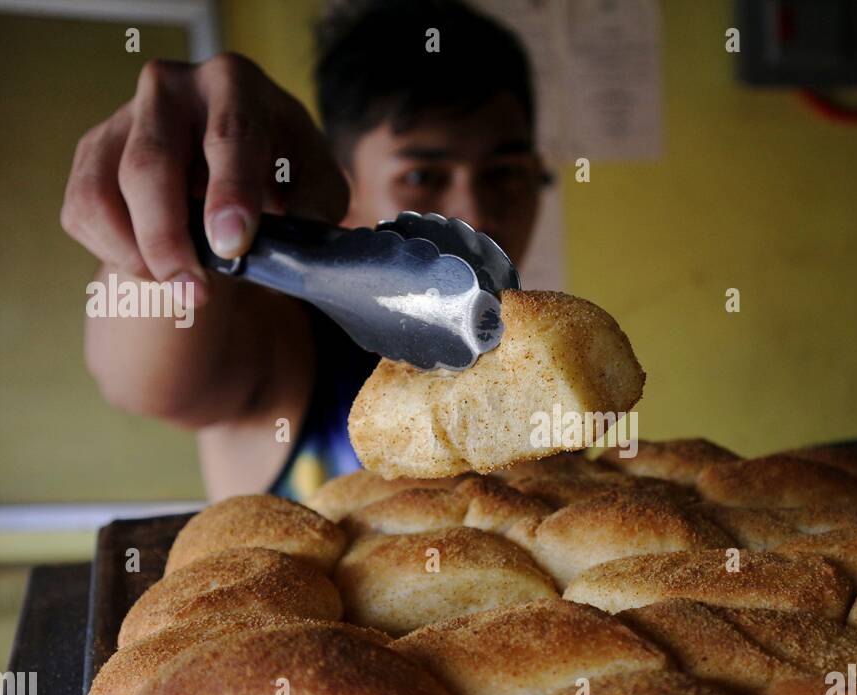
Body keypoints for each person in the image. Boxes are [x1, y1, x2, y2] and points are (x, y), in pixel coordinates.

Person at [62, 0, 545, 500]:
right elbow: (143, 382)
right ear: (345, 185)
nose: (476, 211)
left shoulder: (531, 356)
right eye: (422, 177)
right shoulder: (272, 343)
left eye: (505, 174)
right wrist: (187, 190)